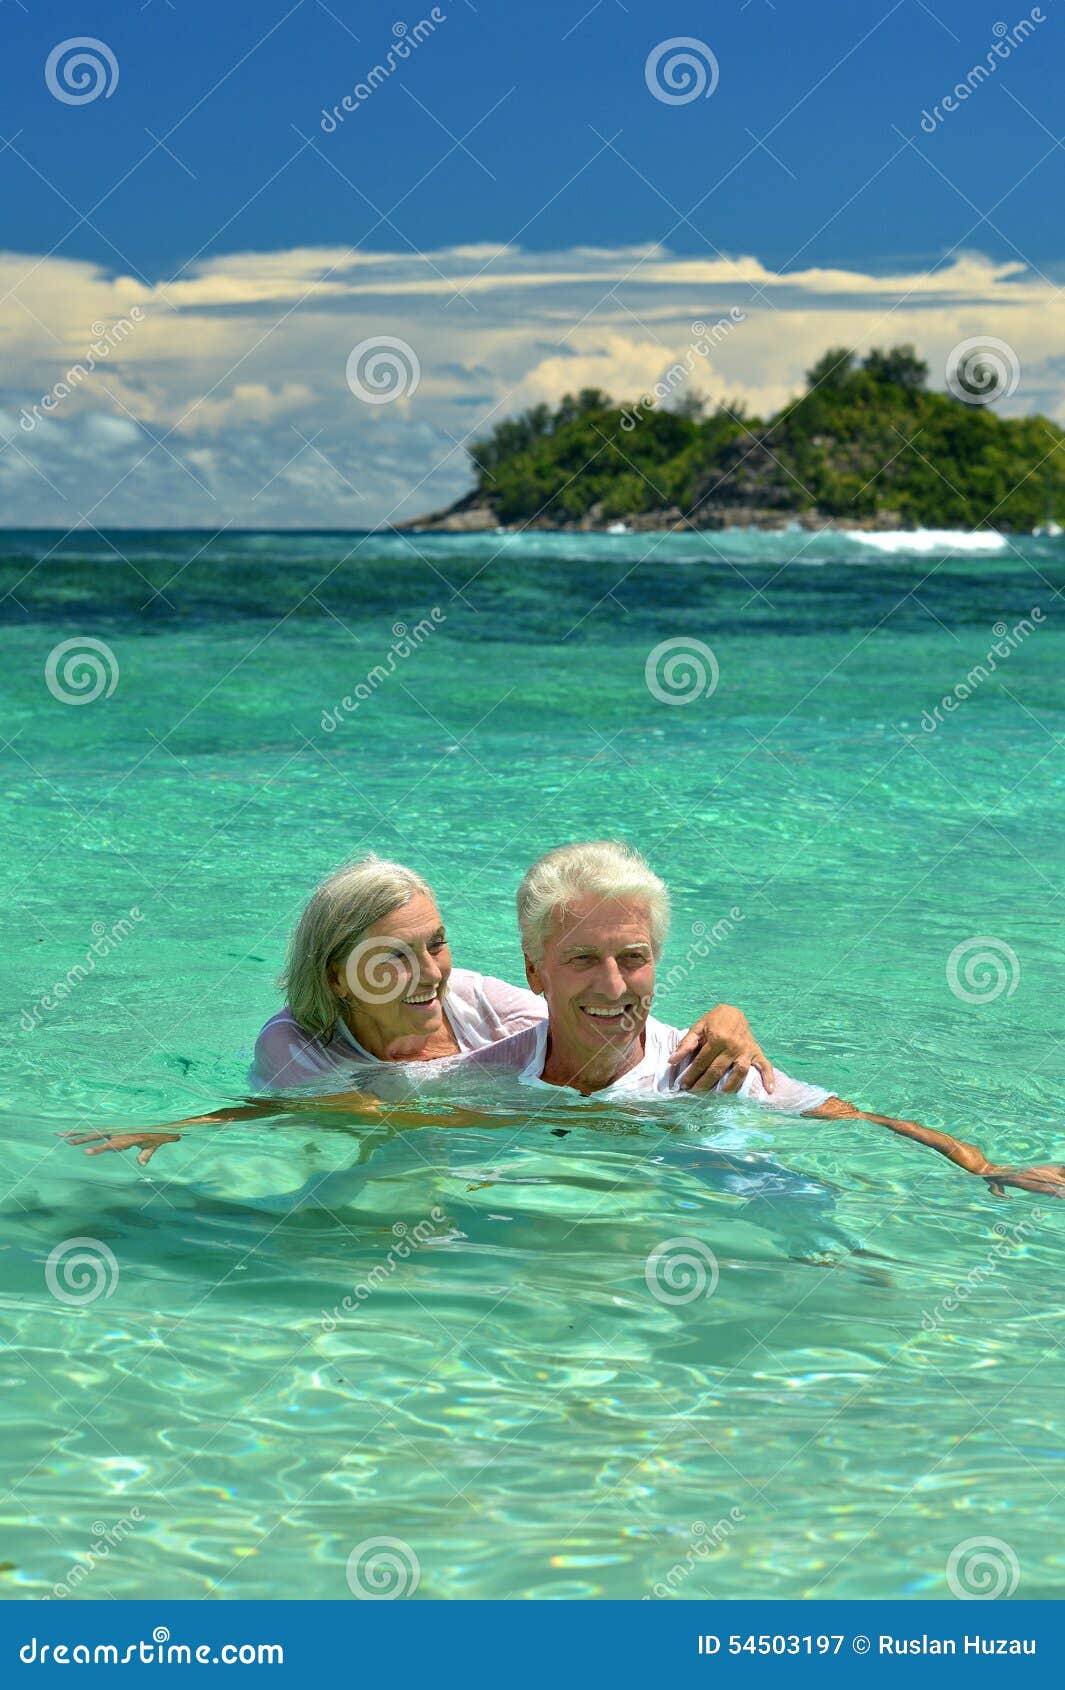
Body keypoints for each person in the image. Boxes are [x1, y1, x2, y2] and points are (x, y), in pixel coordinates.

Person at [446, 840, 1065, 1200]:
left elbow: (860, 1123)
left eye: (633, 958)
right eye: (582, 958)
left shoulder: (705, 1068)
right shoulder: (487, 1073)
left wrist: (984, 1167)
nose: (613, 985)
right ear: (535, 973)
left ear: (656, 960)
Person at [63, 853, 772, 1166]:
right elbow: (369, 1119)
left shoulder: (476, 999)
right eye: (393, 957)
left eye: (435, 944)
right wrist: (186, 1128)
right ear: (337, 976)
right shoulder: (297, 1045)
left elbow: (601, 1030)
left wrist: (726, 1020)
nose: (429, 973)